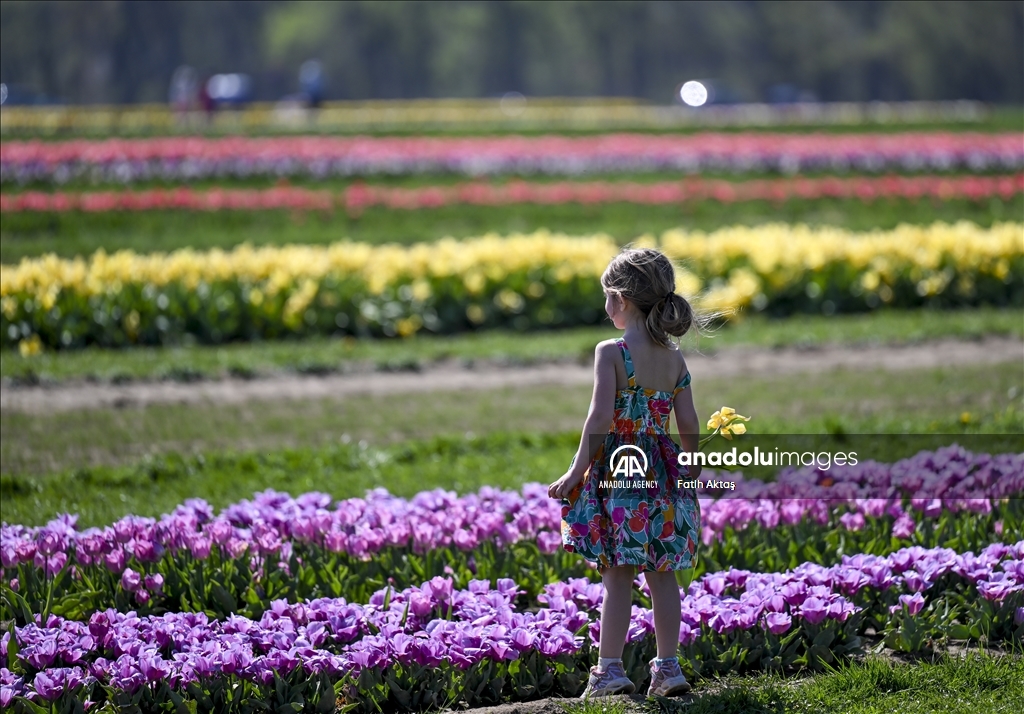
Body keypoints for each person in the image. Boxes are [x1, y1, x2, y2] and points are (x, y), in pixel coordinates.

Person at [548, 247, 705, 699]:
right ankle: (669, 668)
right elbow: (689, 423)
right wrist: (690, 467)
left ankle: (609, 671)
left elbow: (599, 420)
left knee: (617, 572)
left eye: (606, 297)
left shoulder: (612, 352)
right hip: (664, 472)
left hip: (623, 472)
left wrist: (578, 469)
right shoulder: (674, 358)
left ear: (620, 299)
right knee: (662, 573)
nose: (605, 307)